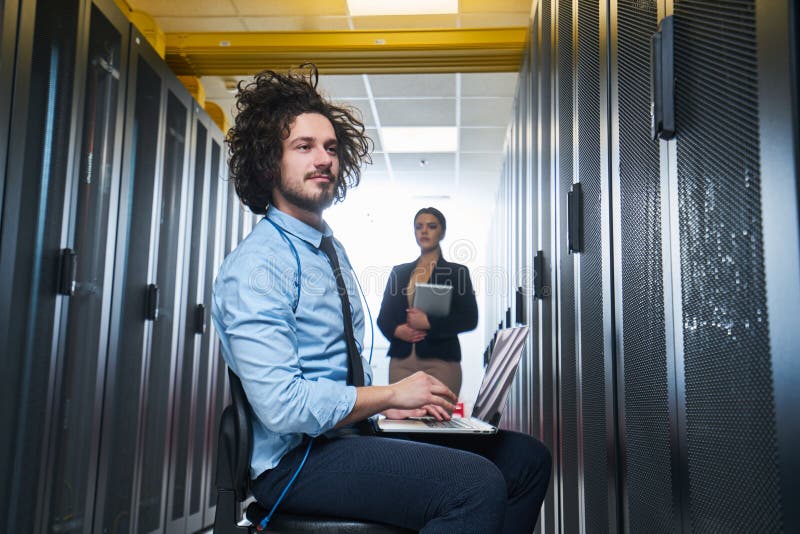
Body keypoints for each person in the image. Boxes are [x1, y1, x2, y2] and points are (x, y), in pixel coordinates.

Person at [212, 65, 551, 533]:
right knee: (474, 486)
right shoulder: (257, 266)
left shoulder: (328, 248)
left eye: (331, 148)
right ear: (270, 163)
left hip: (345, 436)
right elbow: (283, 406)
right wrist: (390, 392)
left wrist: (385, 407)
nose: (324, 159)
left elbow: (336, 370)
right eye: (304, 147)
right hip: (296, 462)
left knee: (524, 460)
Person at [377, 207, 477, 397]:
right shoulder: (399, 272)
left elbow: (469, 319)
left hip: (441, 361)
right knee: (401, 423)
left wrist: (428, 322)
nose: (424, 231)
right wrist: (398, 330)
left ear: (443, 232)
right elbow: (383, 318)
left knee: (436, 421)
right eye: (418, 227)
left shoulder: (457, 273)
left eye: (431, 226)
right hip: (401, 362)